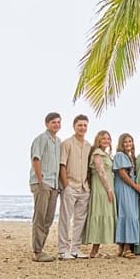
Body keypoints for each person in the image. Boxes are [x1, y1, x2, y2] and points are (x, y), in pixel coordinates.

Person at [29, 112, 61, 262]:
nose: (56, 125)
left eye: (58, 122)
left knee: (48, 218)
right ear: (47, 124)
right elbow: (36, 159)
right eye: (53, 122)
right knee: (40, 217)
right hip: (43, 183)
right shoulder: (41, 139)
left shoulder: (58, 142)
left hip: (54, 184)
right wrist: (40, 180)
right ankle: (37, 251)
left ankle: (41, 248)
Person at [58, 114, 91, 260]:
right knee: (65, 218)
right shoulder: (67, 143)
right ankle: (63, 250)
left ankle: (75, 249)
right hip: (70, 186)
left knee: (80, 220)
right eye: (80, 125)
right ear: (74, 126)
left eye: (85, 125)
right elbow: (62, 165)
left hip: (84, 188)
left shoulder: (89, 146)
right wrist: (66, 186)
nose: (82, 128)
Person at [82, 130, 116, 258]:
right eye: (103, 139)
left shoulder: (105, 154)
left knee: (104, 215)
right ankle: (94, 250)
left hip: (107, 187)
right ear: (98, 140)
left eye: (108, 138)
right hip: (102, 189)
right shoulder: (97, 153)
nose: (106, 141)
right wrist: (108, 189)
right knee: (100, 215)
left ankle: (96, 250)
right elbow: (101, 172)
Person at [112, 133, 140, 258]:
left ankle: (121, 248)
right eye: (125, 142)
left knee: (127, 214)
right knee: (127, 214)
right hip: (125, 187)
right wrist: (135, 186)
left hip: (130, 189)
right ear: (121, 143)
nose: (128, 144)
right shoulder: (120, 155)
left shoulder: (131, 157)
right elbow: (122, 173)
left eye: (130, 141)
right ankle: (126, 248)